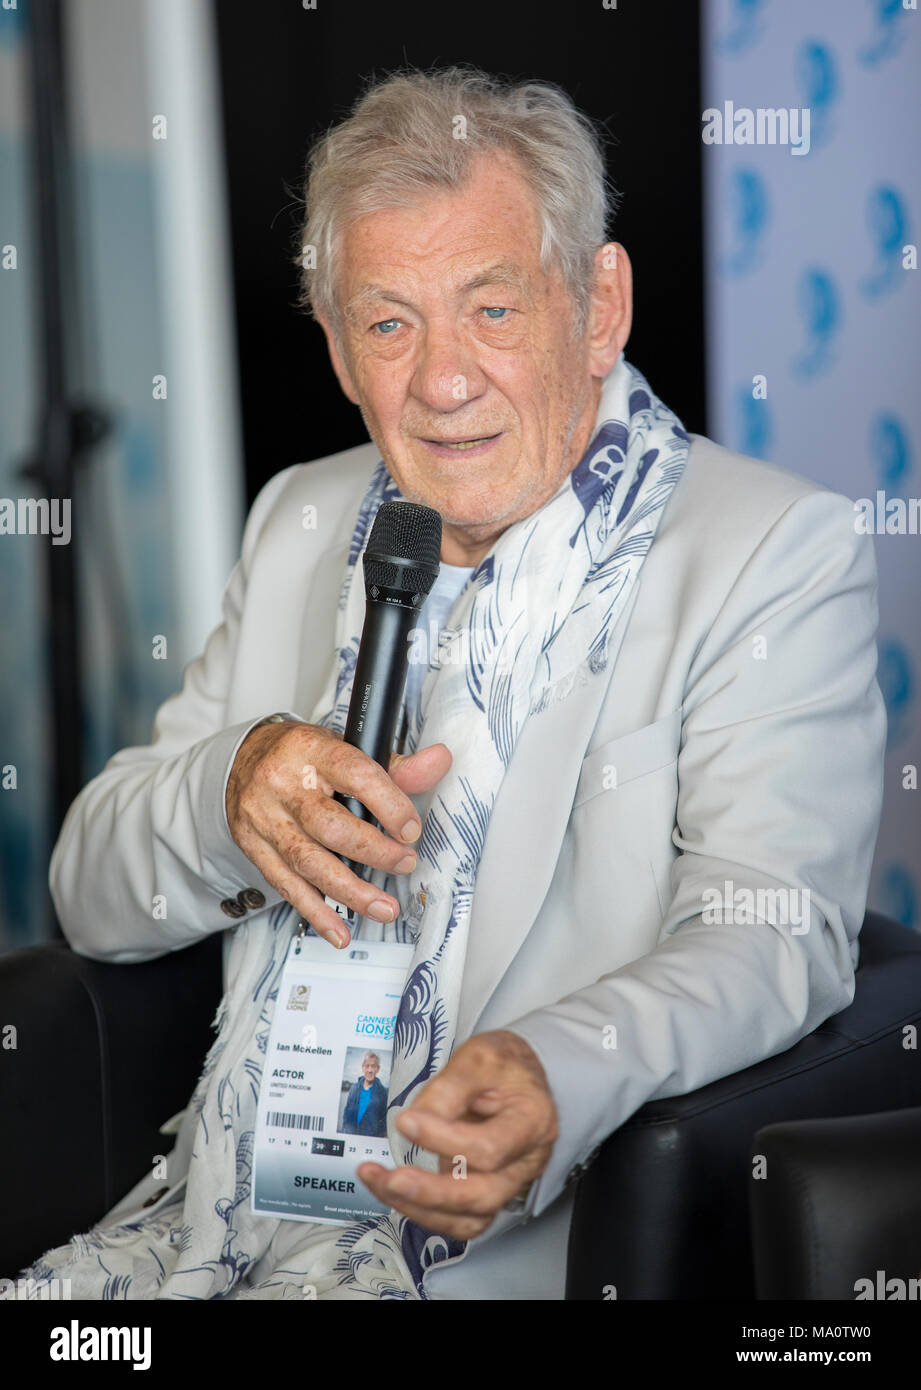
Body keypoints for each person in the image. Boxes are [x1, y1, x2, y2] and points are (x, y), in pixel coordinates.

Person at [21, 67, 885, 1301]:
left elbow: (772, 931)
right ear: (334, 349)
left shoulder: (767, 550)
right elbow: (88, 888)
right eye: (389, 323)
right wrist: (232, 791)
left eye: (491, 308)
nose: (440, 380)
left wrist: (558, 1068)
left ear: (598, 304)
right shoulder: (300, 518)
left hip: (485, 1259)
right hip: (198, 1237)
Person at [341, 1053, 389, 1138]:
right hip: (349, 1136)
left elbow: (384, 1122)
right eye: (367, 1066)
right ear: (363, 1068)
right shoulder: (354, 1088)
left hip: (369, 1140)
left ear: (378, 1069)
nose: (370, 1070)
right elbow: (346, 1113)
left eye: (373, 1066)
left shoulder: (383, 1092)